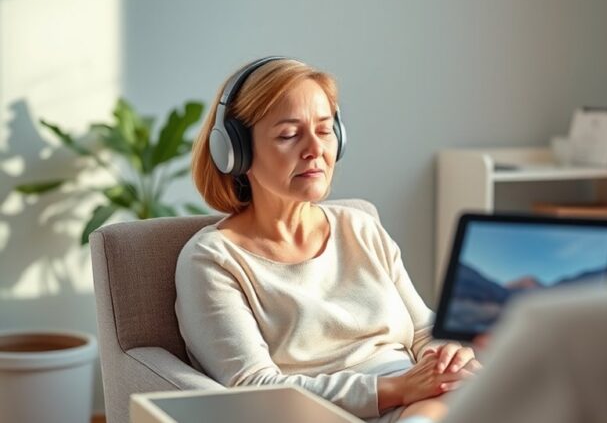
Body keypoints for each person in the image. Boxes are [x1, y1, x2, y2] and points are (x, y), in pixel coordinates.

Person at [174, 57, 481, 423]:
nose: (315, 150)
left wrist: (448, 356)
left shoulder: (360, 227)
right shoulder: (212, 259)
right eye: (289, 135)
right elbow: (255, 386)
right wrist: (397, 389)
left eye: (324, 130)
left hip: (423, 401)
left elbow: (420, 329)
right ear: (235, 152)